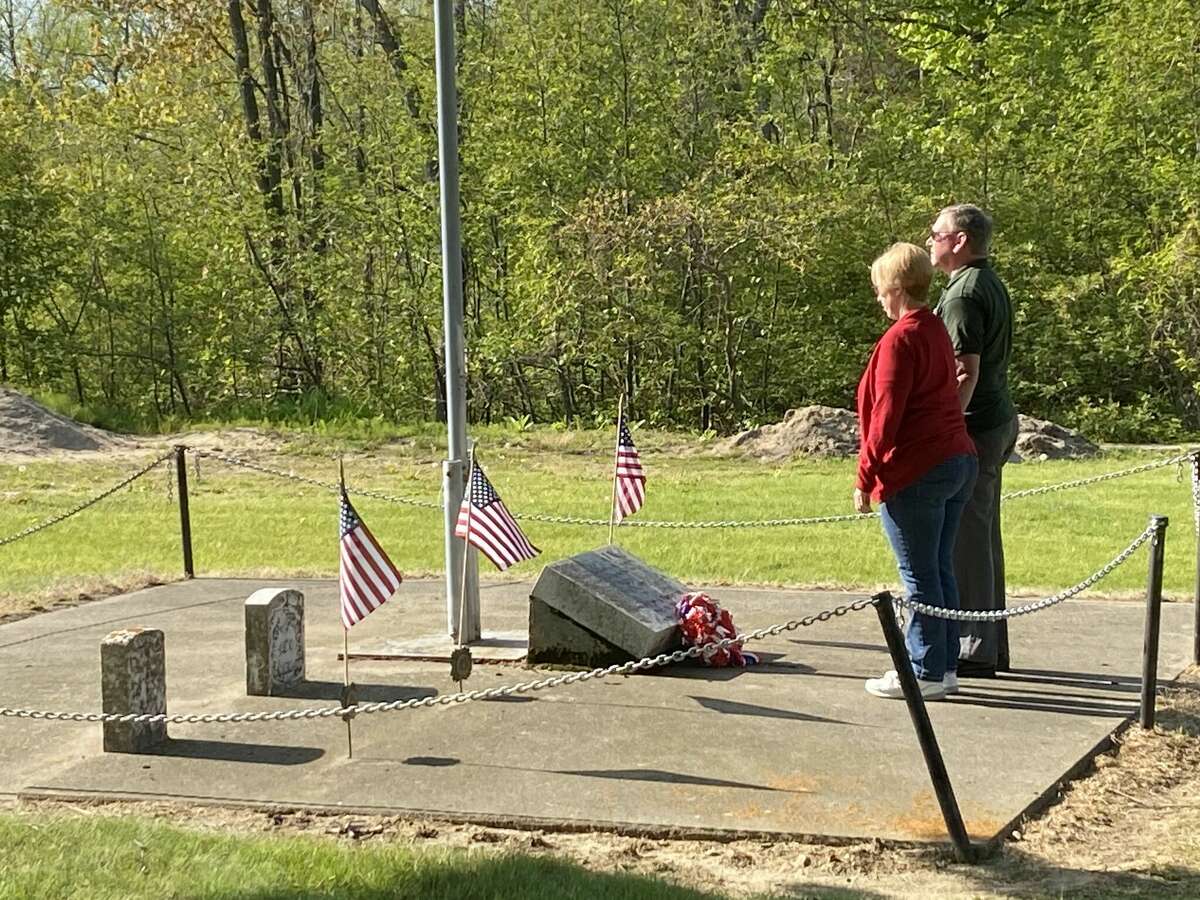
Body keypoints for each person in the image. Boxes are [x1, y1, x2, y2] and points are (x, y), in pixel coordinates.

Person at [855, 243, 978, 700]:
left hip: (918, 468)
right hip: (956, 459)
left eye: (880, 290)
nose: (879, 299)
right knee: (939, 568)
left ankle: (923, 669)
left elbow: (886, 415)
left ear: (896, 287)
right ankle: (943, 666)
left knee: (919, 575)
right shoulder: (935, 329)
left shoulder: (901, 338)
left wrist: (865, 476)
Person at [927, 204, 1017, 678]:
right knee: (982, 538)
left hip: (975, 428)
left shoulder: (963, 293)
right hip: (994, 420)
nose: (930, 241)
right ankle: (990, 643)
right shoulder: (987, 281)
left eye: (936, 233)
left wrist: (948, 431)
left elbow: (965, 369)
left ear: (959, 240)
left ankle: (974, 645)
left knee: (967, 540)